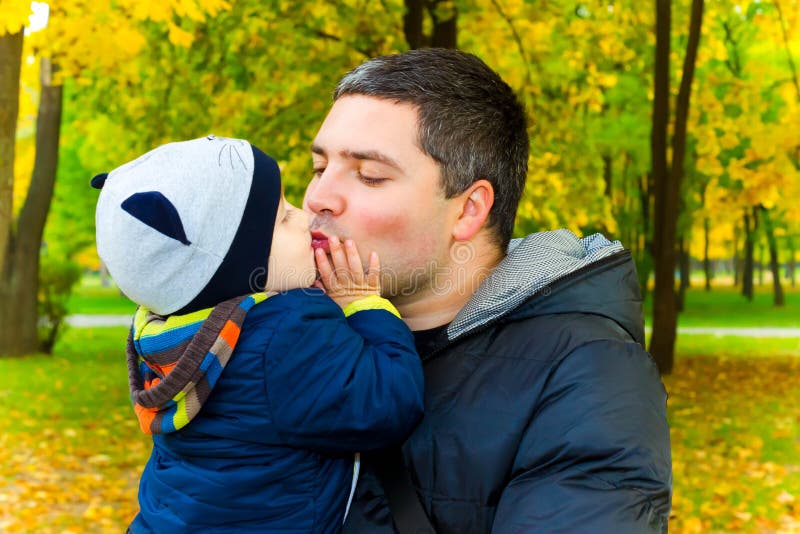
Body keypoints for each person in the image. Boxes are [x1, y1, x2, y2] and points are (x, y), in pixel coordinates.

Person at [304, 48, 672, 532]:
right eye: (318, 167)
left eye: (370, 175)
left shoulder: (588, 374)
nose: (318, 197)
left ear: (469, 209)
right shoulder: (297, 334)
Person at [92, 135, 425, 533]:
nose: (304, 216)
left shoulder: (170, 335)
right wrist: (363, 304)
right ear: (240, 267)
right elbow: (390, 402)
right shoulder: (285, 335)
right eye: (283, 218)